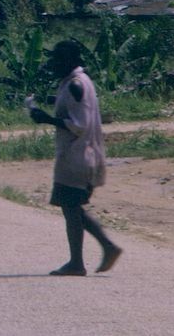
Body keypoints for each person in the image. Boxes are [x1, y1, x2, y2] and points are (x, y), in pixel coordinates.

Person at [29, 40, 122, 276]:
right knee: (72, 207)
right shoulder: (75, 83)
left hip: (77, 156)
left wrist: (47, 119)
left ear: (68, 61)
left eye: (57, 59)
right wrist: (52, 101)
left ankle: (80, 261)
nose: (52, 64)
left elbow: (79, 125)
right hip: (78, 155)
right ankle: (104, 247)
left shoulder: (75, 85)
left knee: (71, 207)